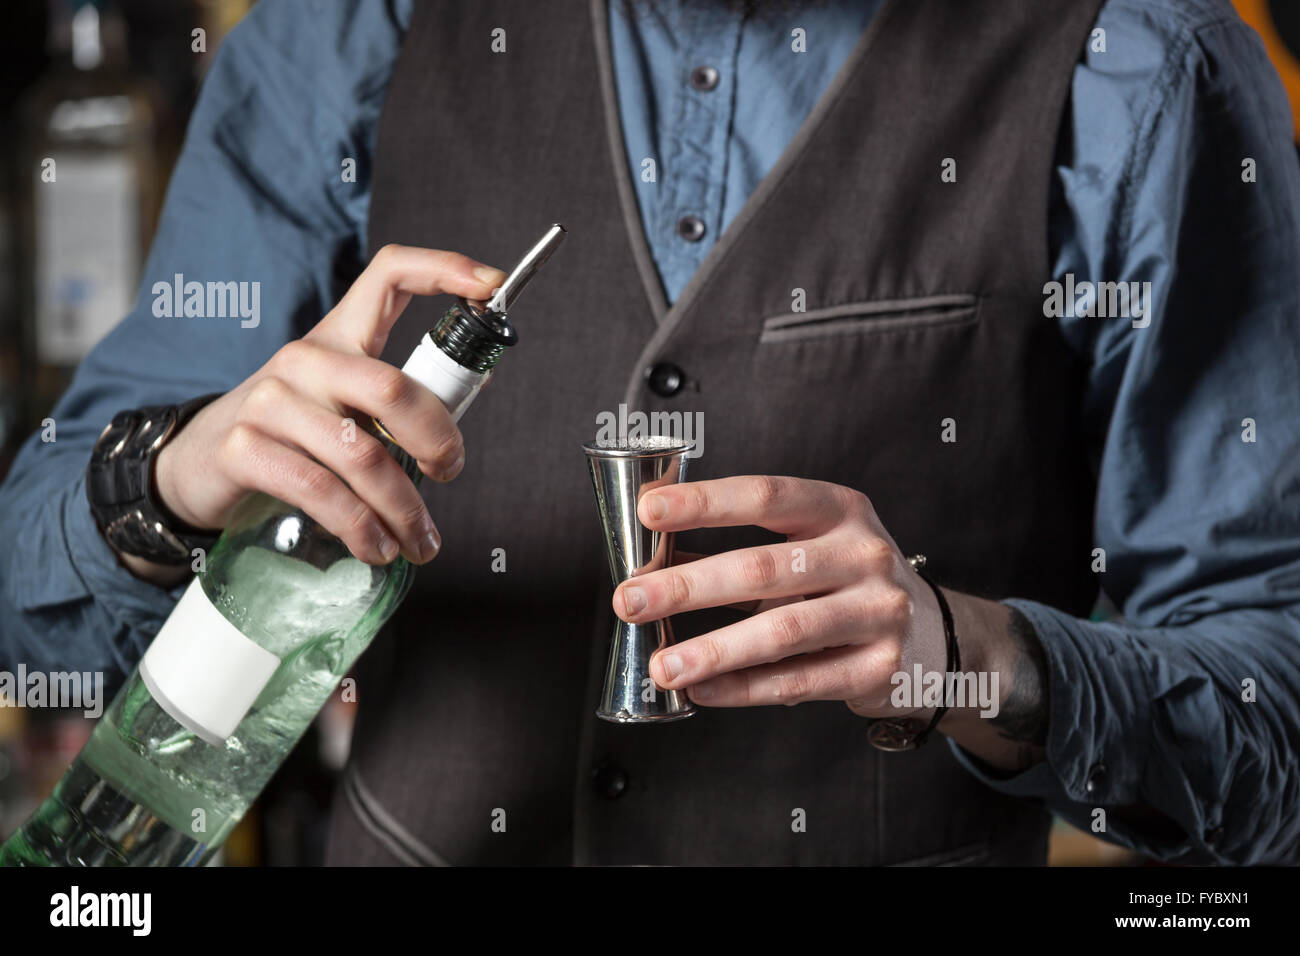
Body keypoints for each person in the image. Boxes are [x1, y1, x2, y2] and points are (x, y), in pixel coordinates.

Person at [2, 0, 1299, 866]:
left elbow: (1273, 710)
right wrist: (163, 487)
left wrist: (977, 659)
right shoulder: (348, 36)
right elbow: (26, 604)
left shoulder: (1140, 67)